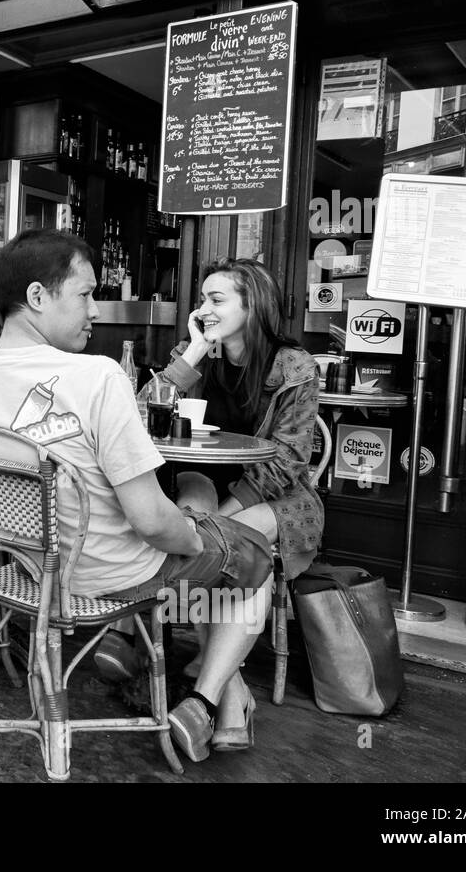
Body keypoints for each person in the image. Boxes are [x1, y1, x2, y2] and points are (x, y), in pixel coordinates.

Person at [0, 229, 273, 761]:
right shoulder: (97, 377)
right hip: (109, 576)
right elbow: (153, 524)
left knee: (204, 531)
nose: (97, 311)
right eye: (85, 295)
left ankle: (216, 694)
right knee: (251, 557)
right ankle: (209, 701)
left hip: (15, 570)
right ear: (38, 297)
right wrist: (197, 538)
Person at [155, 258, 324, 676]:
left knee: (214, 540)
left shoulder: (293, 366)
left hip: (278, 496)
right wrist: (193, 352)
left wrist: (220, 518)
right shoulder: (194, 354)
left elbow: (288, 460)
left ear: (253, 306)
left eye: (216, 300)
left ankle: (207, 665)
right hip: (201, 477)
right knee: (193, 530)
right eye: (202, 300)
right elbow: (142, 414)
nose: (203, 310)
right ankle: (221, 681)